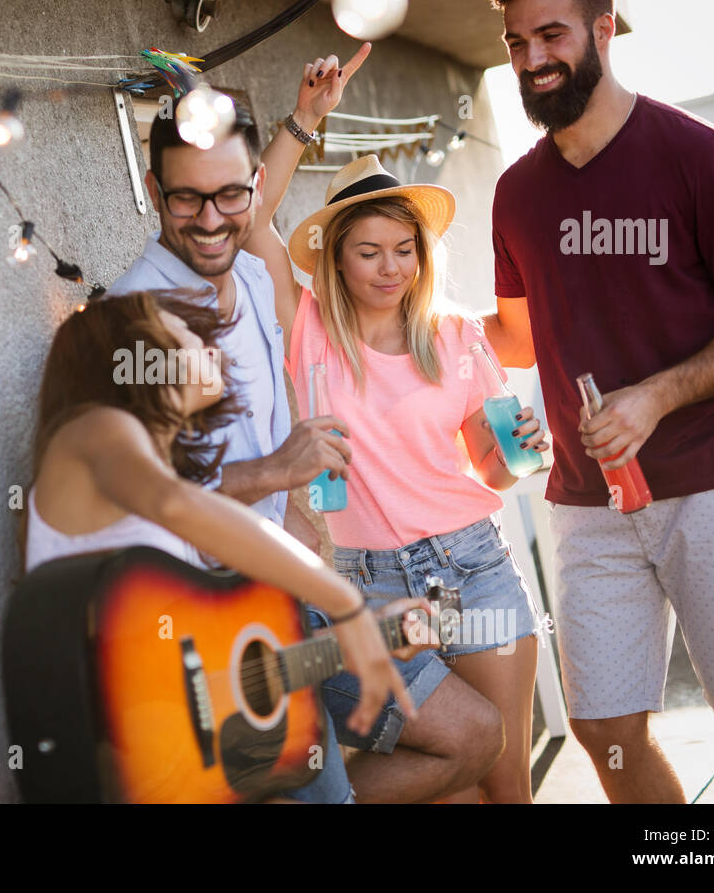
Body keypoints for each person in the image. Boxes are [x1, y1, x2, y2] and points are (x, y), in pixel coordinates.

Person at [109, 49, 505, 803]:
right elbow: (141, 495)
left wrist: (305, 118)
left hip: (299, 588)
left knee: (473, 738)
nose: (212, 219)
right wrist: (274, 473)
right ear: (154, 193)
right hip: (216, 616)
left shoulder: (254, 285)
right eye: (186, 200)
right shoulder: (139, 319)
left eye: (231, 196)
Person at [483, 0, 714, 803]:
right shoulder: (516, 194)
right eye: (517, 44)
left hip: (713, 481)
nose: (533, 59)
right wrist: (388, 321)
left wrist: (657, 395)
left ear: (602, 30)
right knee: (606, 729)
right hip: (587, 502)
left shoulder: (697, 153)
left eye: (551, 35)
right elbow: (517, 335)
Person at [247, 60, 549, 803]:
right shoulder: (309, 330)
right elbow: (251, 215)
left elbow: (493, 469)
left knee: (502, 775)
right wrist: (304, 117)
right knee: (449, 772)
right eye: (369, 251)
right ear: (335, 259)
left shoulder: (453, 335)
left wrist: (522, 450)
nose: (391, 268)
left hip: (472, 568)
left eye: (404, 249)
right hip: (370, 587)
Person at [25, 289, 431, 803]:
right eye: (190, 334)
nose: (212, 346)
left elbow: (206, 680)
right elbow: (173, 503)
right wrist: (345, 604)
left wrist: (368, 636)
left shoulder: (149, 477)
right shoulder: (95, 427)